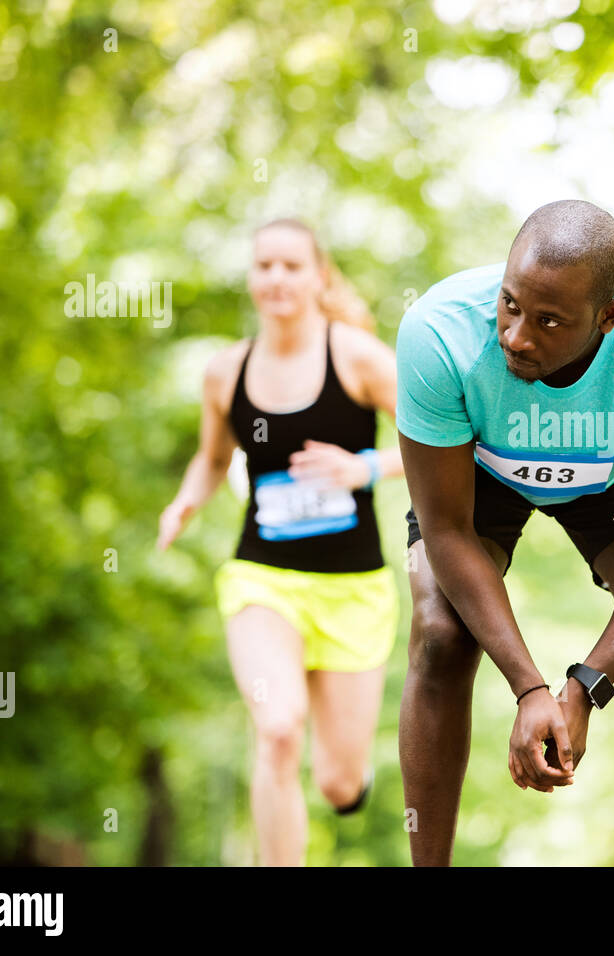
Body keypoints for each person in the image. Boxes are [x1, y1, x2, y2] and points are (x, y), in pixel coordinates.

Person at [395, 199, 614, 866]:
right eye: (511, 304)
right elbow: (446, 529)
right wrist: (529, 689)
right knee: (439, 631)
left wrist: (584, 688)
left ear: (608, 318)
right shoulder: (438, 330)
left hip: (610, 462)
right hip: (480, 464)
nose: (517, 336)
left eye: (549, 321)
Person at [156, 218, 403, 866]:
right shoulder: (224, 373)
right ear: (250, 278)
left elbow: (440, 437)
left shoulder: (356, 356)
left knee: (337, 782)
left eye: (292, 266)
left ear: (320, 276)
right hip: (261, 577)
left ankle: (351, 781)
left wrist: (366, 467)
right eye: (264, 266)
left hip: (353, 588)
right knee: (277, 728)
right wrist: (186, 500)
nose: (276, 279)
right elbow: (212, 460)